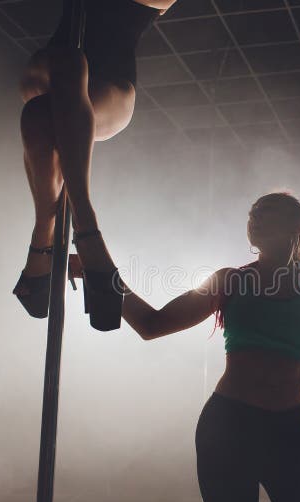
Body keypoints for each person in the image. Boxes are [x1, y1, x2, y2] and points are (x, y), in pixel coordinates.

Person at [68, 191, 300, 502]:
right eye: (256, 218)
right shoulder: (230, 281)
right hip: (229, 427)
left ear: (299, 229)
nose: (259, 223)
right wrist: (99, 275)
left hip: (290, 432)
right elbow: (152, 324)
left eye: (268, 216)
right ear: (252, 233)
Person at [12, 0, 177, 330]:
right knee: (69, 61)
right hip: (51, 69)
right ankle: (86, 230)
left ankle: (44, 232)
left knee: (37, 114)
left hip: (108, 90)